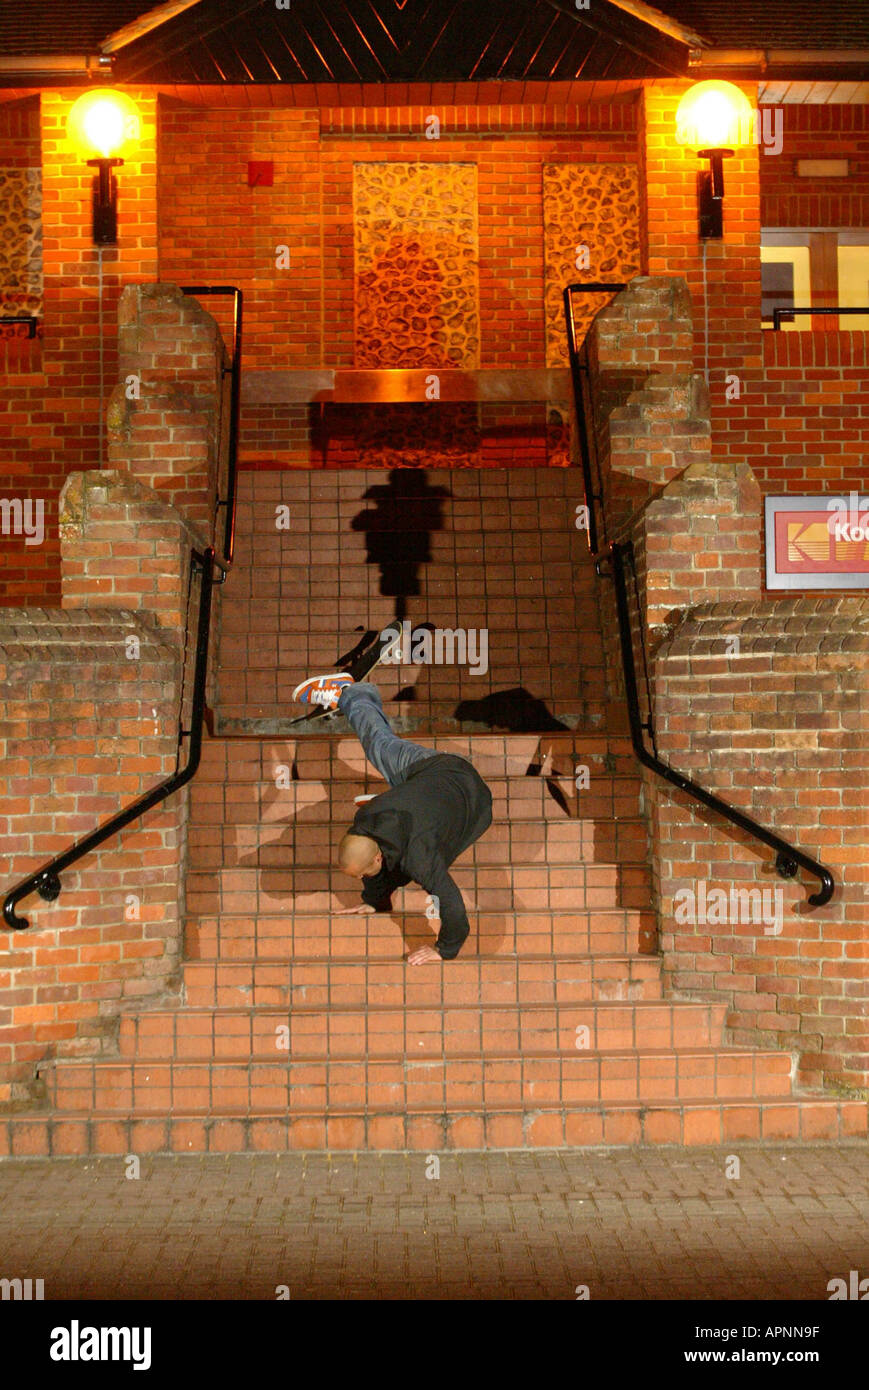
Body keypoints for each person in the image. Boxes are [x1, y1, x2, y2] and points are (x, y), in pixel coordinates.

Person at [292, 661, 493, 964]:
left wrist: (444, 949)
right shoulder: (366, 821)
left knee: (379, 745)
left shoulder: (419, 858)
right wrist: (374, 901)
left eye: (362, 873)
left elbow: (453, 906)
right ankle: (356, 702)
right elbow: (375, 861)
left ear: (375, 856)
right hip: (435, 792)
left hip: (453, 782)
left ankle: (349, 692)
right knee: (405, 858)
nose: (360, 877)